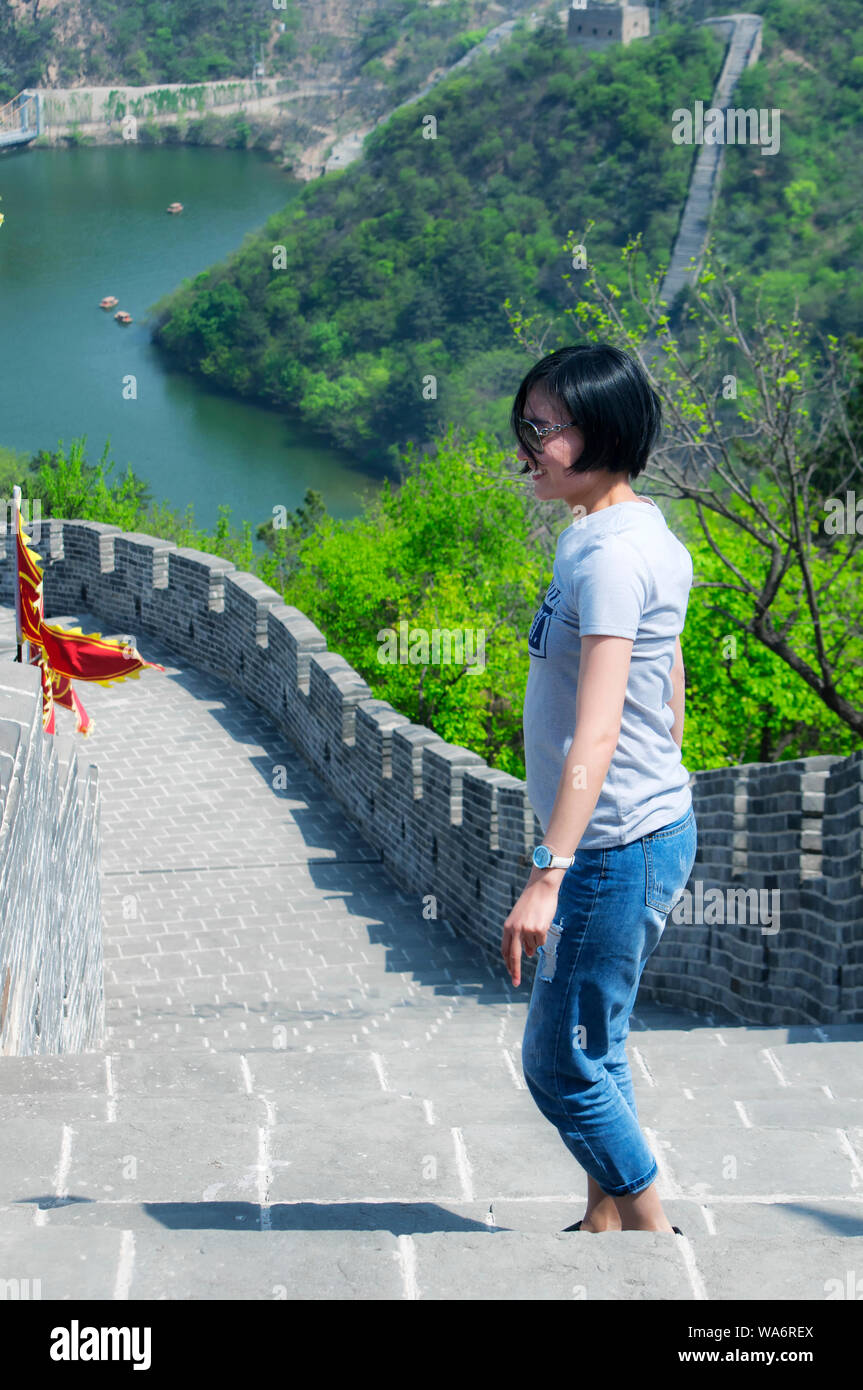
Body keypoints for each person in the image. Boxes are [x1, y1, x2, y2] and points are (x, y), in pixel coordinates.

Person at [501, 343, 697, 1235]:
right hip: (630, 831)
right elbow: (670, 680)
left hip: (614, 846)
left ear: (603, 432)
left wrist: (550, 870)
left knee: (554, 1061)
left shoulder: (610, 559)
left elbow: (601, 725)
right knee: (596, 1041)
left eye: (546, 429)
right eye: (527, 427)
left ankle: (653, 1232)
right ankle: (605, 1223)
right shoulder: (618, 534)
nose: (527, 448)